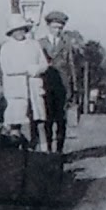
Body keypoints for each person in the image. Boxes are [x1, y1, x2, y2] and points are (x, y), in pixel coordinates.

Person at [0, 13, 49, 149]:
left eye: (22, 29)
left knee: (39, 121)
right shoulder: (6, 47)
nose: (19, 33)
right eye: (16, 30)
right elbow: (7, 69)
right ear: (11, 32)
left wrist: (36, 69)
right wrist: (26, 69)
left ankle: (43, 151)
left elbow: (44, 64)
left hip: (34, 88)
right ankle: (16, 151)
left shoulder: (34, 44)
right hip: (16, 89)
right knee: (16, 121)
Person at [39, 10, 78, 153]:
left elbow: (71, 65)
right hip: (45, 85)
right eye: (54, 27)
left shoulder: (66, 44)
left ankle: (59, 151)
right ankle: (48, 150)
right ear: (48, 26)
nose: (57, 30)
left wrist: (73, 87)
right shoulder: (40, 43)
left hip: (62, 86)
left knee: (61, 120)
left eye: (60, 28)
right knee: (47, 119)